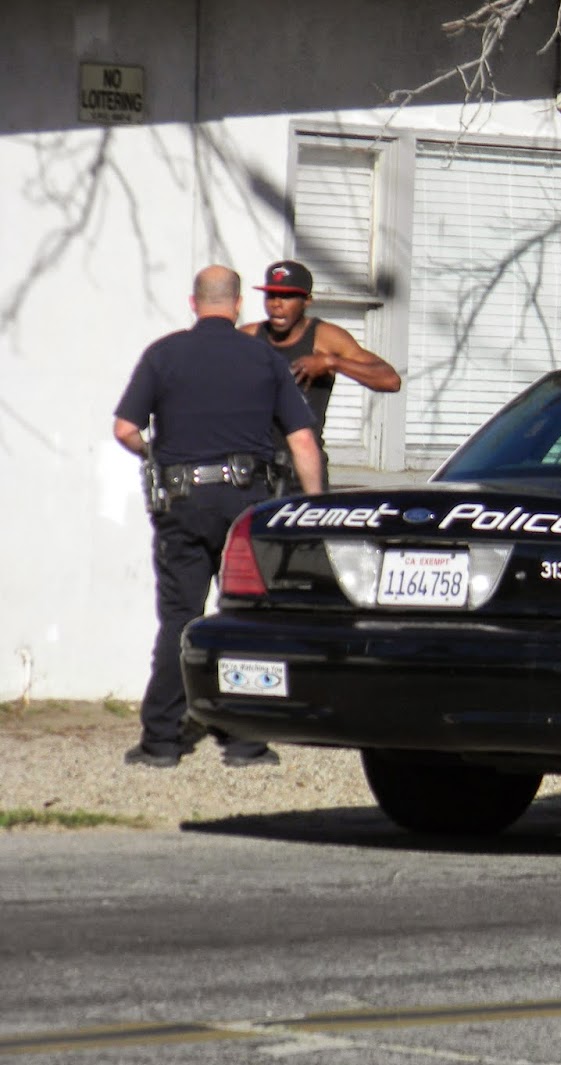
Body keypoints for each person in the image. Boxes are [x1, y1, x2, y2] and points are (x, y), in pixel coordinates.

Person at [113, 265, 326, 769]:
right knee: (248, 617)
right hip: (246, 506)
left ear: (194, 304)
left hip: (182, 505)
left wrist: (154, 455)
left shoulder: (162, 355)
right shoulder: (263, 357)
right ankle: (246, 741)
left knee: (180, 619)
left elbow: (124, 428)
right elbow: (302, 441)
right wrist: (312, 507)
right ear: (237, 307)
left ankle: (162, 741)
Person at [240, 260, 401, 491]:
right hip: (253, 467)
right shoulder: (249, 337)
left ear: (307, 301)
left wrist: (332, 362)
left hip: (303, 470)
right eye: (271, 296)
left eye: (286, 297)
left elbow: (390, 380)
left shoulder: (324, 338)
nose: (276, 304)